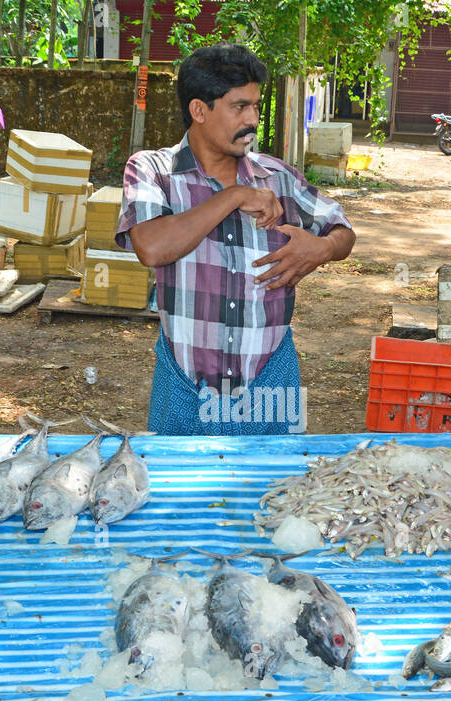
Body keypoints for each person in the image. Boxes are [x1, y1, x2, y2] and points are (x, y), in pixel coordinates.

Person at [117, 43, 356, 435]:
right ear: (199, 110)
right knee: (178, 492)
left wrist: (324, 248)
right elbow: (151, 246)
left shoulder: (278, 177)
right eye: (239, 107)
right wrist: (233, 197)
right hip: (184, 387)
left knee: (275, 487)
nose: (253, 120)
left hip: (270, 382)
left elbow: (342, 230)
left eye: (256, 107)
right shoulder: (153, 171)